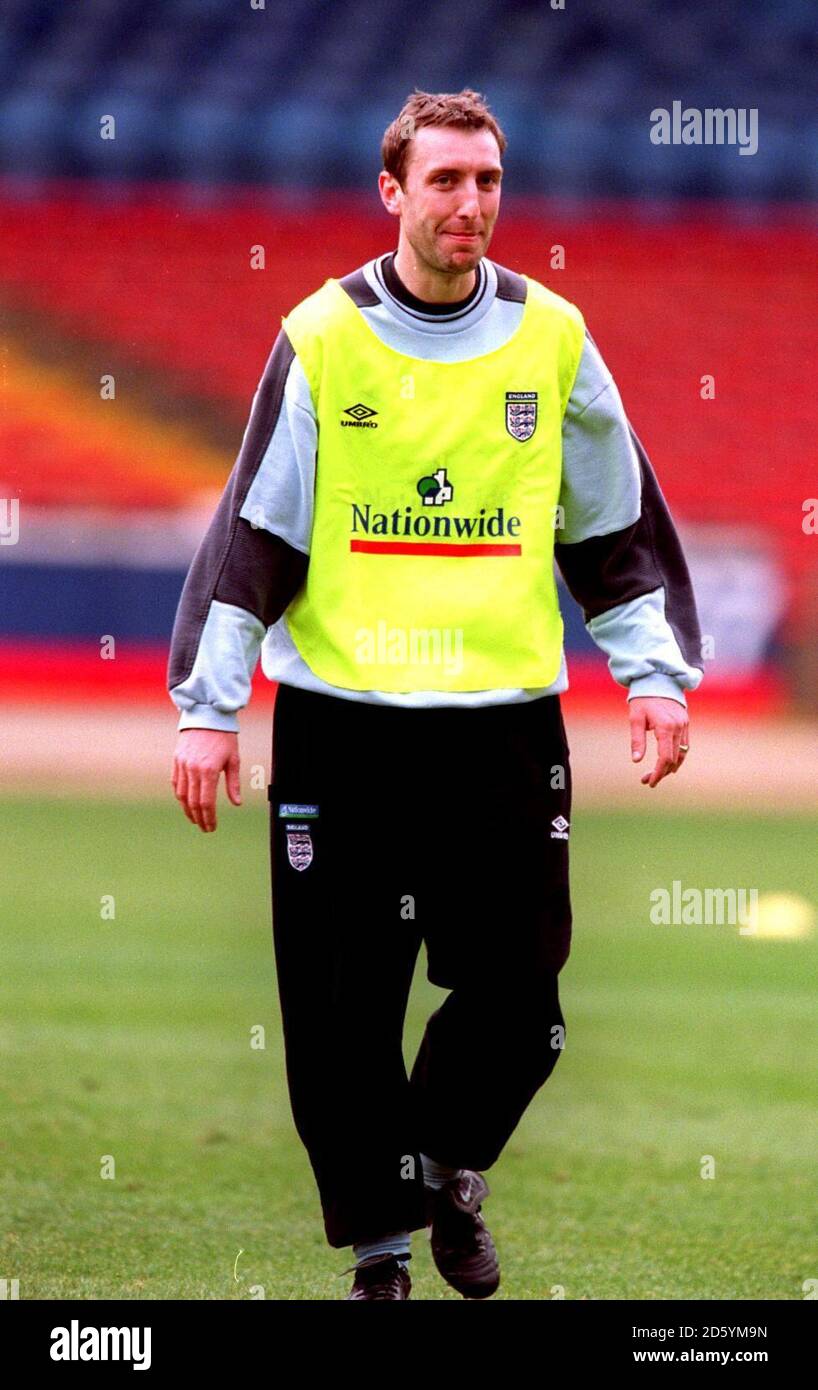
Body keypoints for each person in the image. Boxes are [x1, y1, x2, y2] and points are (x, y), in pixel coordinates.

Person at [167, 88, 703, 1301]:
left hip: (501, 730)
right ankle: (380, 1256)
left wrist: (653, 678)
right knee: (342, 1014)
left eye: (487, 182)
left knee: (522, 998)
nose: (470, 204)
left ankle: (450, 1164)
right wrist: (208, 706)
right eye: (446, 181)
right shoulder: (319, 337)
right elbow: (253, 536)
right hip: (341, 733)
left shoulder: (553, 338)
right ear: (393, 192)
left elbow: (612, 530)